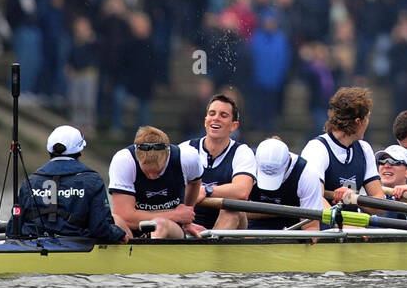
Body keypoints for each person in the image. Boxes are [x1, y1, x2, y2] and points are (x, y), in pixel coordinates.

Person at [8, 126, 130, 244]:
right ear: (80, 151)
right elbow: (100, 228)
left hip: (31, 249)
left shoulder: (30, 181)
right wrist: (119, 234)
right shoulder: (93, 180)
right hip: (78, 249)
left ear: (49, 151)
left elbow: (12, 229)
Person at [109, 126, 206, 239]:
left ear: (167, 155)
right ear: (137, 155)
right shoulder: (124, 160)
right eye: (147, 171)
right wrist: (175, 215)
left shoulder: (187, 157)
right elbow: (125, 216)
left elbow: (195, 183)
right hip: (132, 230)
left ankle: (147, 253)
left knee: (159, 224)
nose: (152, 177)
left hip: (169, 227)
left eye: (157, 171)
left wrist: (186, 218)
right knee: (113, 219)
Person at [301, 86, 385, 204]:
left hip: (354, 221)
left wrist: (353, 199)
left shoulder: (364, 149)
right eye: (367, 118)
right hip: (324, 221)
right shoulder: (317, 149)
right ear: (358, 122)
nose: (368, 123)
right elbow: (315, 200)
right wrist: (343, 223)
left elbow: (379, 202)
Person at [185, 94, 256, 230]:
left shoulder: (242, 152)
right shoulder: (186, 149)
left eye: (223, 115)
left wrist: (206, 190)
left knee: (232, 207)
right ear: (205, 120)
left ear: (234, 126)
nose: (216, 118)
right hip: (188, 222)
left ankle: (209, 248)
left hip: (230, 223)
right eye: (212, 114)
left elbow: (242, 191)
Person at [248, 137, 324, 231]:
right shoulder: (246, 162)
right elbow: (234, 212)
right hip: (253, 226)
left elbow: (311, 227)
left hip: (294, 228)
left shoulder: (307, 174)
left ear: (288, 160)